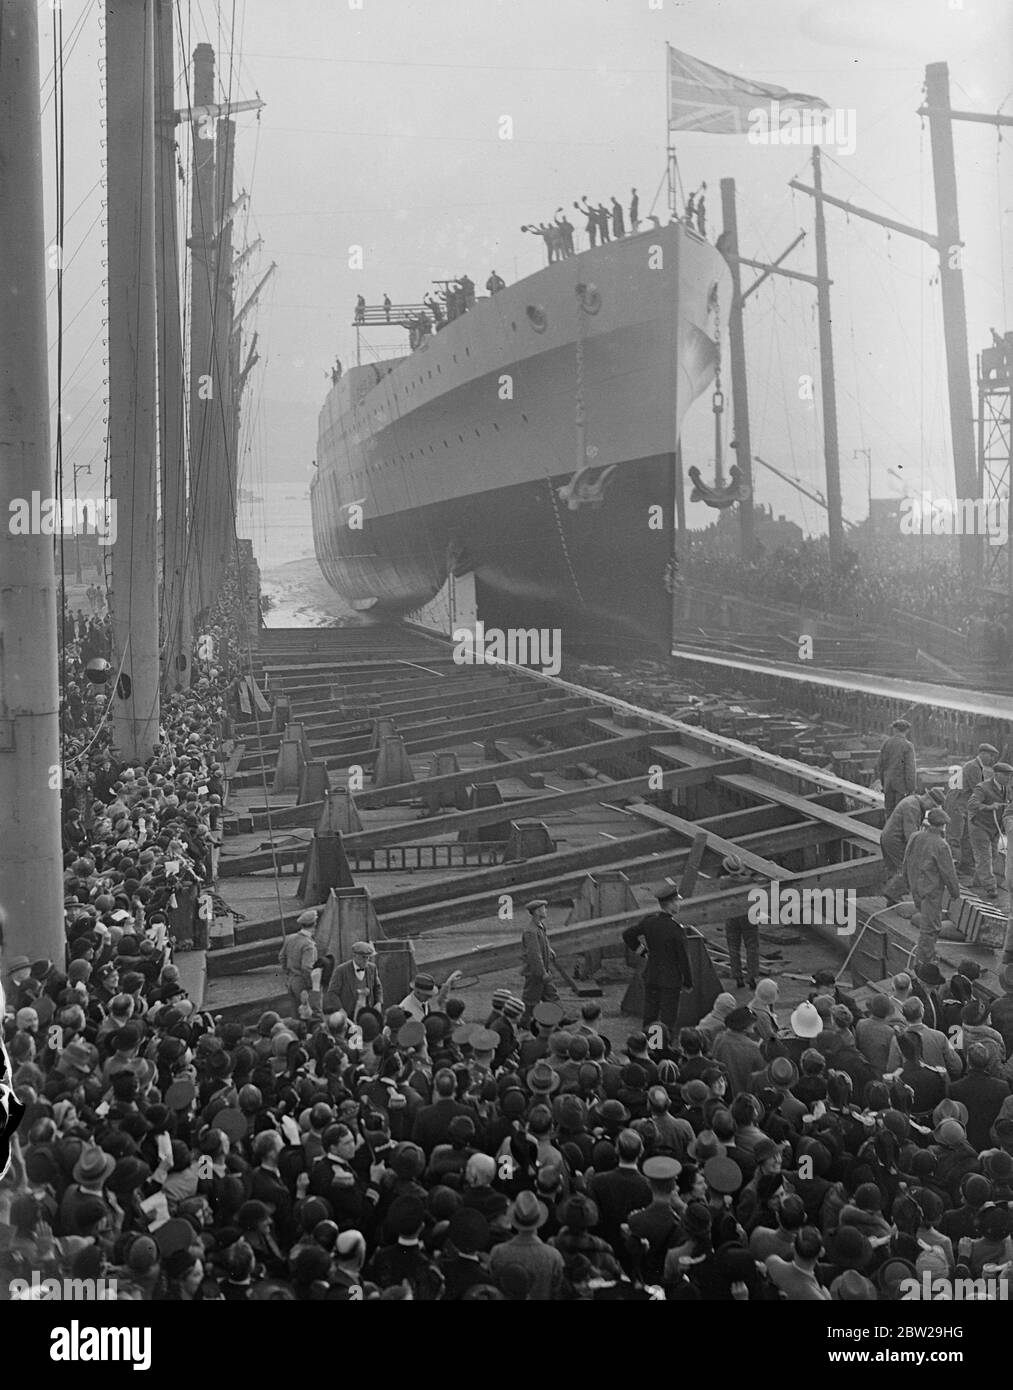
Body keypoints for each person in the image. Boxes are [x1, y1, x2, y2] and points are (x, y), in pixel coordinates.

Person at [621, 884, 693, 1032]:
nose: (679, 904)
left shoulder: (649, 922)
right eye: (677, 901)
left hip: (652, 975)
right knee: (667, 1018)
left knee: (650, 1015)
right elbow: (683, 958)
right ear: (671, 903)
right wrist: (688, 981)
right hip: (671, 979)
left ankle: (650, 1046)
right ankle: (662, 1049)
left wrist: (642, 951)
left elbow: (628, 935)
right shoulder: (675, 929)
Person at [903, 807, 961, 963]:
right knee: (931, 928)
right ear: (943, 825)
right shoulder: (941, 845)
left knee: (925, 922)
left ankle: (925, 957)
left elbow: (906, 860)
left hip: (915, 887)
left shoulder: (915, 836)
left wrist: (907, 881)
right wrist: (955, 893)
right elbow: (948, 873)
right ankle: (925, 961)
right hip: (931, 891)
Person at [879, 787, 945, 904]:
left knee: (894, 869)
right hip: (894, 841)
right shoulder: (912, 807)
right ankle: (892, 893)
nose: (932, 809)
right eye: (933, 805)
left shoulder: (914, 802)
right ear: (928, 799)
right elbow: (910, 835)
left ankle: (893, 899)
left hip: (889, 837)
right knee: (908, 867)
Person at [946, 743, 998, 871]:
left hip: (963, 805)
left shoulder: (977, 766)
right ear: (983, 754)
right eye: (991, 756)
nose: (993, 760)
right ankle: (953, 868)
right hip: (956, 805)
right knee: (955, 837)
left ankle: (966, 865)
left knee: (966, 836)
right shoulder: (973, 767)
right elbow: (978, 789)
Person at [966, 760, 1012, 899]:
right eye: (1006, 776)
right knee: (984, 856)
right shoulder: (982, 788)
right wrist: (988, 807)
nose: (1009, 779)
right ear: (997, 775)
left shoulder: (1006, 788)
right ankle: (990, 888)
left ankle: (977, 881)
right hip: (979, 827)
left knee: (992, 854)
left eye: (1010, 776)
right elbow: (971, 804)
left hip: (994, 828)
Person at [520, 899, 559, 1023]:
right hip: (535, 973)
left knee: (552, 996)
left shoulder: (540, 926)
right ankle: (524, 1024)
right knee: (530, 1001)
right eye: (543, 908)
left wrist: (549, 949)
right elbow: (534, 955)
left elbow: (543, 941)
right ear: (537, 911)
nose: (546, 910)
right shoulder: (530, 931)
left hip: (543, 970)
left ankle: (560, 1019)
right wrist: (543, 973)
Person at [322, 940, 383, 1019]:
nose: (366, 960)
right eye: (363, 957)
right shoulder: (341, 970)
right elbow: (332, 993)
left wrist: (378, 1002)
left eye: (368, 957)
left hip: (367, 1015)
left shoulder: (372, 968)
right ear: (354, 955)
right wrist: (340, 1009)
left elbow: (378, 987)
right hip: (348, 1015)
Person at [278, 911, 318, 1014]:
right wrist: (312, 985)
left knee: (295, 1014)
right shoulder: (308, 945)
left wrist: (288, 973)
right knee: (309, 1015)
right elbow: (306, 967)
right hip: (302, 984)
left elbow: (282, 957)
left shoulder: (290, 938)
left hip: (291, 981)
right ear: (314, 924)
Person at [876, 719, 917, 817]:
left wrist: (883, 781)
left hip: (888, 783)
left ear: (894, 729)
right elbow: (910, 768)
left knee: (889, 811)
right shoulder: (908, 745)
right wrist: (911, 787)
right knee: (900, 812)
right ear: (907, 731)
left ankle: (887, 830)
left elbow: (880, 765)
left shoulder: (886, 743)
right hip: (901, 786)